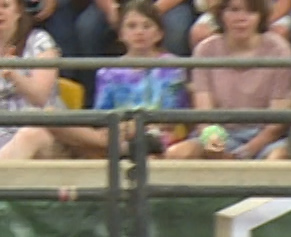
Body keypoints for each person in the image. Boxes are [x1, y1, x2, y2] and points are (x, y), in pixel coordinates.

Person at [53, 1, 189, 158]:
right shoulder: (108, 72)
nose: (139, 32)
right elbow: (103, 115)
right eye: (132, 26)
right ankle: (123, 149)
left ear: (159, 33)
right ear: (121, 33)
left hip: (157, 136)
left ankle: (127, 150)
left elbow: (170, 117)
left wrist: (135, 127)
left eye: (147, 26)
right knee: (53, 118)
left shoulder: (172, 67)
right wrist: (122, 129)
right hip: (117, 134)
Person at [169, 0, 291, 159]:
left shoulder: (279, 49)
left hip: (265, 136)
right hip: (221, 132)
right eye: (234, 10)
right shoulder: (205, 50)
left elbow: (277, 122)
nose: (241, 18)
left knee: (278, 158)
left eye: (250, 12)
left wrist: (250, 148)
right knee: (177, 154)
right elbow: (204, 114)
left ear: (260, 16)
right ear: (221, 14)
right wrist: (212, 139)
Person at [0, 0, 58, 162]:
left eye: (5, 6)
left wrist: (13, 74)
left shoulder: (39, 41)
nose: (0, 12)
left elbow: (41, 98)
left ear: (18, 11)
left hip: (36, 129)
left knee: (30, 134)